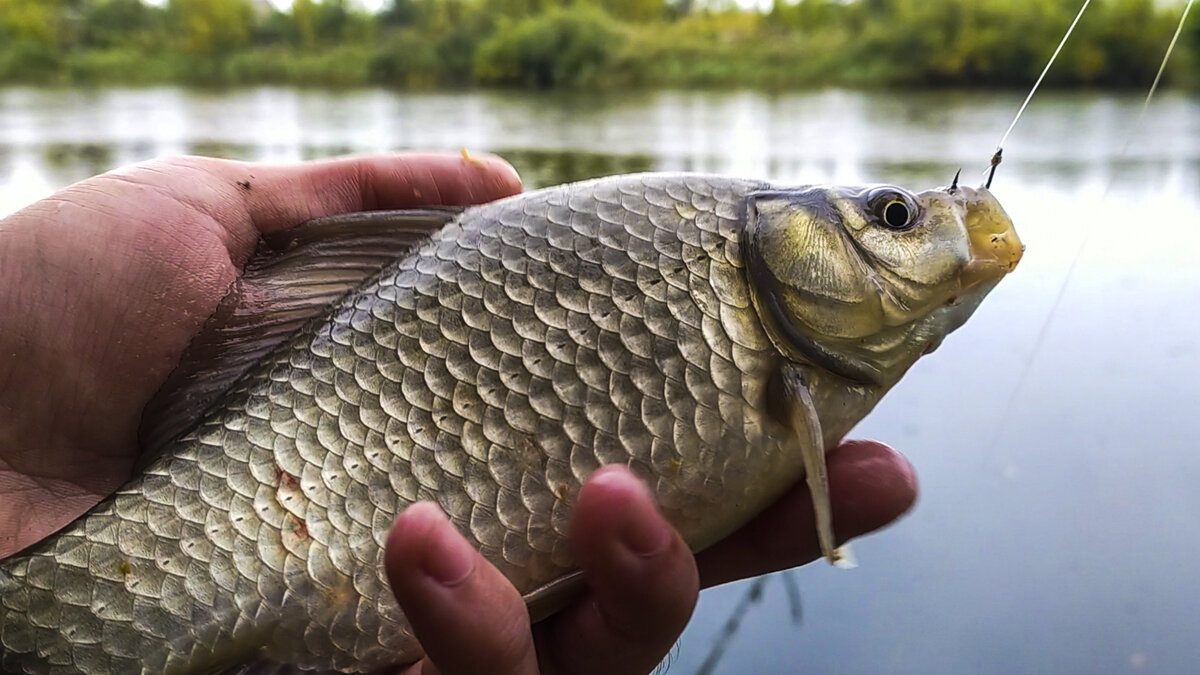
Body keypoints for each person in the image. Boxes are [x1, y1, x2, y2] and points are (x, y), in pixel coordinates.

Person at [0, 153, 918, 674]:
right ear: (784, 239)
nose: (941, 228)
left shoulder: (810, 355)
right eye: (894, 216)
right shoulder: (754, 292)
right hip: (270, 481)